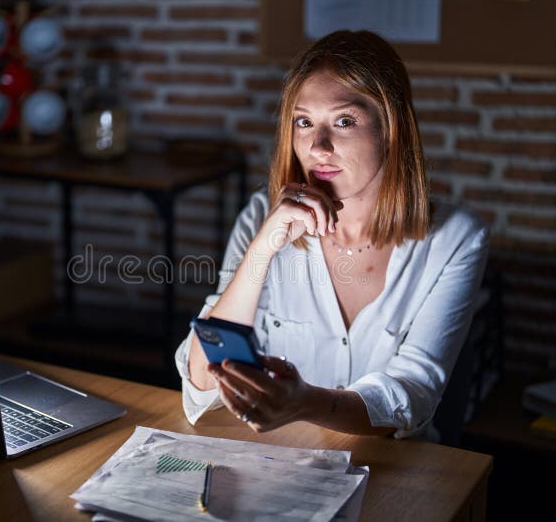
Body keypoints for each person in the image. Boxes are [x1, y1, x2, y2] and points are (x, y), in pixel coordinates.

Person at [174, 30, 490, 441]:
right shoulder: (261, 217)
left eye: (344, 121)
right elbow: (200, 379)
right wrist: (262, 250)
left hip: (392, 471)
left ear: (390, 128)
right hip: (272, 458)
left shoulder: (456, 239)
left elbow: (414, 393)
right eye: (304, 122)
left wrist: (305, 402)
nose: (318, 147)